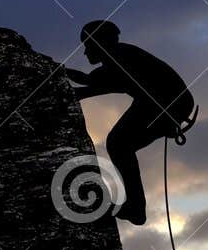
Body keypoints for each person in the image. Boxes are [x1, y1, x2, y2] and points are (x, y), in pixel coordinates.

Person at [64, 21, 196, 225]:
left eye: (88, 46)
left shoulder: (120, 57)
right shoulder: (120, 56)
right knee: (120, 145)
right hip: (169, 104)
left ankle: (136, 207)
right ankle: (135, 206)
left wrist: (73, 90)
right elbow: (93, 81)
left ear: (100, 43)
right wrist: (62, 73)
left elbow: (105, 84)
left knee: (118, 144)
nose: (85, 53)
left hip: (165, 103)